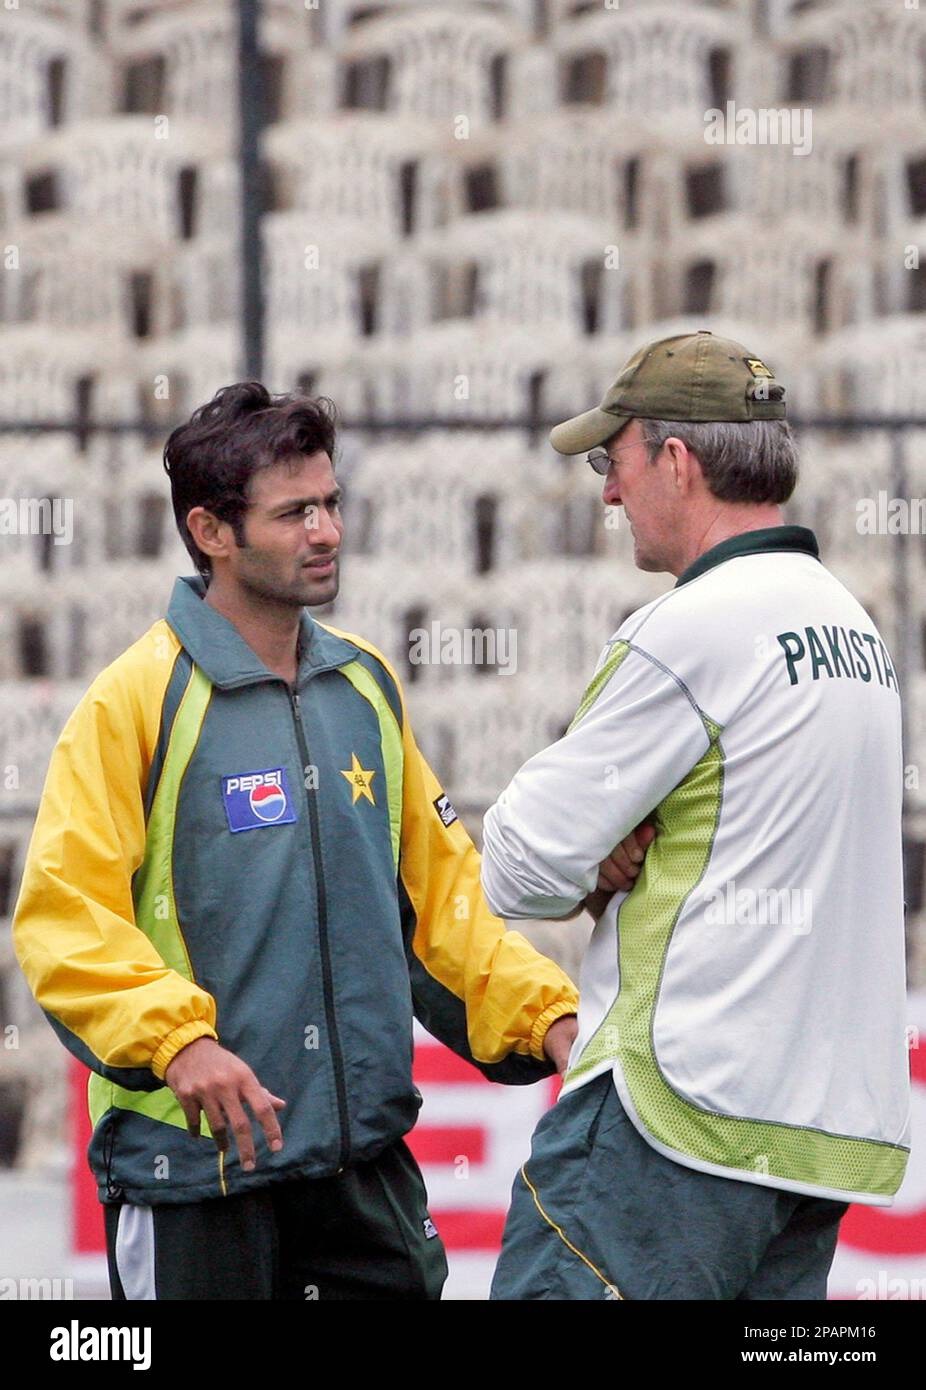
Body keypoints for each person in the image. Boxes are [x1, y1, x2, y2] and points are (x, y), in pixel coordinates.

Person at [11, 382, 651, 1301]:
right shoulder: (132, 700)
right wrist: (178, 1044)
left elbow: (443, 912)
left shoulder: (367, 689)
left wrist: (547, 1021)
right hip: (194, 1183)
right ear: (211, 532)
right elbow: (63, 923)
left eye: (331, 504)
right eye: (294, 513)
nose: (327, 533)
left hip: (364, 1179)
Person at [481, 330, 912, 1300]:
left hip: (671, 1119)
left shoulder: (687, 628)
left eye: (611, 459)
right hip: (812, 1143)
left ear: (672, 461)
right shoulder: (855, 630)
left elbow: (512, 860)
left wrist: (595, 862)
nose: (605, 491)